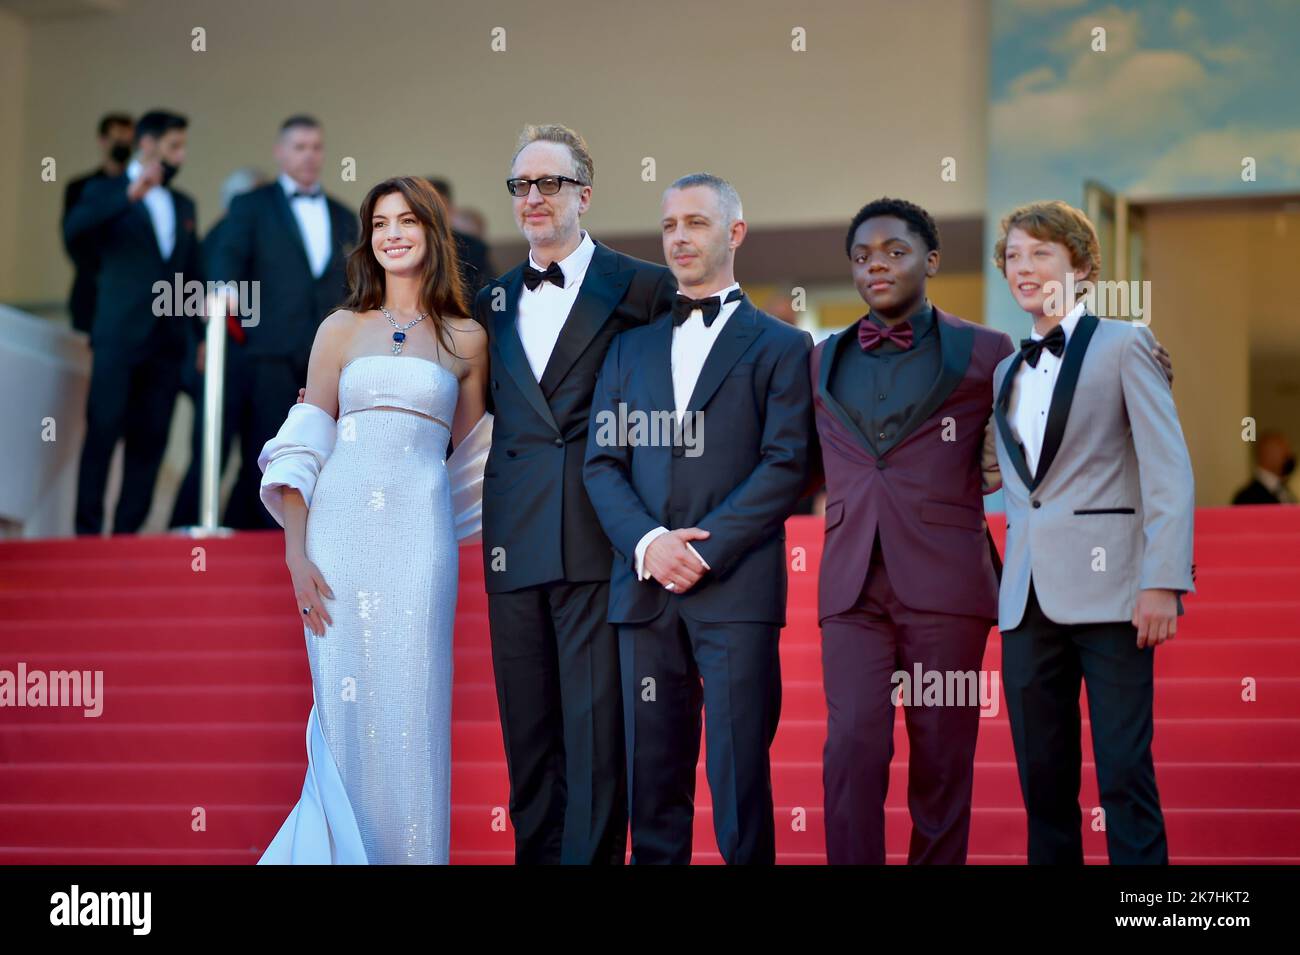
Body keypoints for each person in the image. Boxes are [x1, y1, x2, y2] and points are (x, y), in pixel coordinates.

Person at [257, 176, 491, 864]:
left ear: (432, 234)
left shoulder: (467, 337)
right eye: (380, 222)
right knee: (344, 705)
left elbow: (474, 459)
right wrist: (297, 554)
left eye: (407, 221)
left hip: (421, 542)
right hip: (338, 535)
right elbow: (306, 439)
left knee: (414, 707)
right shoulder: (339, 328)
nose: (392, 233)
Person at [584, 174, 813, 864]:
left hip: (737, 589)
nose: (680, 237)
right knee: (652, 783)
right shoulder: (627, 349)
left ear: (734, 233)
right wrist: (651, 543)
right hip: (643, 589)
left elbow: (785, 464)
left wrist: (704, 550)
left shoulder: (781, 346)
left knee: (740, 779)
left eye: (697, 223)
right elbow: (602, 462)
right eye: (670, 225)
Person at [474, 124, 676, 864]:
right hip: (513, 536)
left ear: (584, 195)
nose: (533, 197)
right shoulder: (489, 300)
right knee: (527, 738)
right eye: (522, 185)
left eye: (549, 183)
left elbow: (681, 399)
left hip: (601, 535)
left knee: (596, 742)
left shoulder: (644, 287)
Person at [991, 199, 1195, 865]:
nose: (1024, 267)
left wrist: (1163, 579)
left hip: (1113, 595)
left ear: (1080, 267)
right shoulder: (1005, 372)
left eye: (1040, 253)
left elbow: (1168, 467)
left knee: (1123, 776)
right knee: (1043, 786)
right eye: (1014, 256)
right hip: (1026, 600)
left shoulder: (1126, 343)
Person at [812, 198, 1014, 864]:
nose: (877, 264)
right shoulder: (820, 359)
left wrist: (1135, 361)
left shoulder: (987, 351)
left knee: (943, 759)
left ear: (930, 260)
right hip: (851, 587)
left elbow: (1040, 414)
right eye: (863, 255)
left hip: (946, 586)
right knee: (851, 748)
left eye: (894, 251)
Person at [208, 115, 359, 529]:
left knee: (325, 445)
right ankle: (262, 542)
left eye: (316, 147)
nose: (309, 156)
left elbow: (357, 280)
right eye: (299, 147)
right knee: (267, 445)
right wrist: (224, 289)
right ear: (280, 152)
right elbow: (229, 254)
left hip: (328, 352)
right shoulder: (251, 205)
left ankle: (319, 532)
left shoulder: (345, 214)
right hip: (270, 348)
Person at [65, 109, 200, 535]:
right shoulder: (104, 191)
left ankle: (127, 535)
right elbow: (75, 232)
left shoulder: (183, 204)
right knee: (103, 431)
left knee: (151, 439)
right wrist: (128, 195)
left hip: (166, 342)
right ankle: (87, 534)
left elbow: (191, 274)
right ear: (147, 144)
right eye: (174, 145)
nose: (181, 155)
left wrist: (196, 336)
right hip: (118, 336)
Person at [169, 167, 267, 529]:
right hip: (219, 355)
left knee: (261, 449)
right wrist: (199, 342)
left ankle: (240, 525)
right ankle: (184, 526)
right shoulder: (215, 240)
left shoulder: (263, 241)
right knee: (211, 449)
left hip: (256, 357)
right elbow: (191, 297)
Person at [62, 112, 134, 336]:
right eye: (117, 139)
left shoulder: (143, 190)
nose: (123, 145)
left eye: (128, 140)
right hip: (91, 292)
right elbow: (73, 237)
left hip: (130, 296)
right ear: (103, 141)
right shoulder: (81, 188)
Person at [427, 176, 494, 299]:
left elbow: (488, 292)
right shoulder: (409, 248)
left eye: (437, 207)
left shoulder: (474, 247)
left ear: (449, 208)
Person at [1232, 431, 1296, 504]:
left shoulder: (1285, 492)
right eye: (1284, 453)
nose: (1289, 457)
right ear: (1268, 455)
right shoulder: (1247, 497)